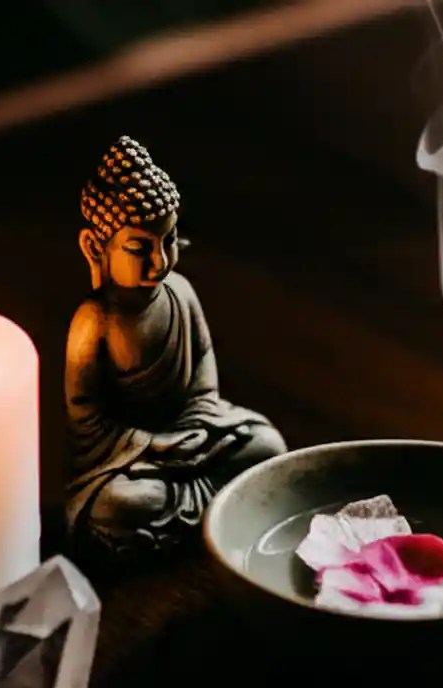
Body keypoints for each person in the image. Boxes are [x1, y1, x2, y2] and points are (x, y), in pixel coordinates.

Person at [64, 135, 285, 562]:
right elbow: (86, 419)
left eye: (168, 241)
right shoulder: (95, 322)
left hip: (192, 436)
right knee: (121, 505)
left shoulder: (180, 292)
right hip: (134, 460)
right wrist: (151, 445)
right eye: (139, 248)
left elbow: (203, 369)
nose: (159, 261)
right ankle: (220, 508)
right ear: (97, 248)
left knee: (268, 445)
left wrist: (198, 425)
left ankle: (199, 510)